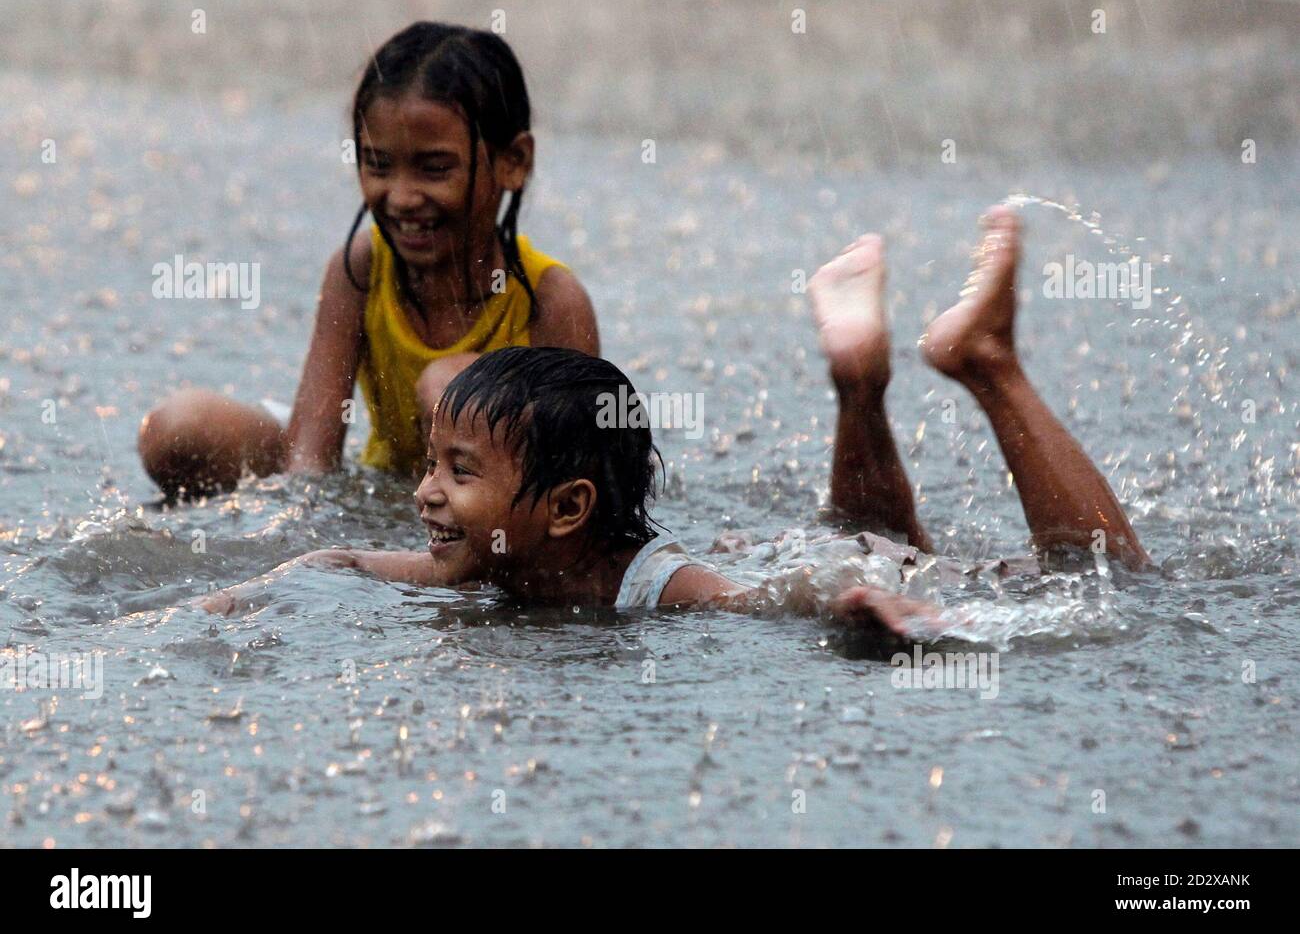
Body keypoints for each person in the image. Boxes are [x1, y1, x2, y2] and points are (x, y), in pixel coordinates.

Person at [200, 207, 1149, 641]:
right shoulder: (494, 553)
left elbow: (761, 601)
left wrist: (851, 605)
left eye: (455, 471)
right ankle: (858, 380)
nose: (423, 494)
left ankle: (988, 367)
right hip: (795, 542)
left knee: (1110, 579)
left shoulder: (653, 589)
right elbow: (345, 566)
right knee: (869, 523)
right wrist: (249, 593)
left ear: (567, 510)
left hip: (850, 566)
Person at [138, 22, 598, 498]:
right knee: (176, 430)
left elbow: (584, 485)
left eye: (434, 168)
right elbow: (310, 462)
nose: (400, 198)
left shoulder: (551, 302)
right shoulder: (360, 269)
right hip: (385, 486)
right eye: (378, 165)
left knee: (449, 387)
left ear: (514, 161)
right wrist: (300, 553)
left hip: (491, 509)